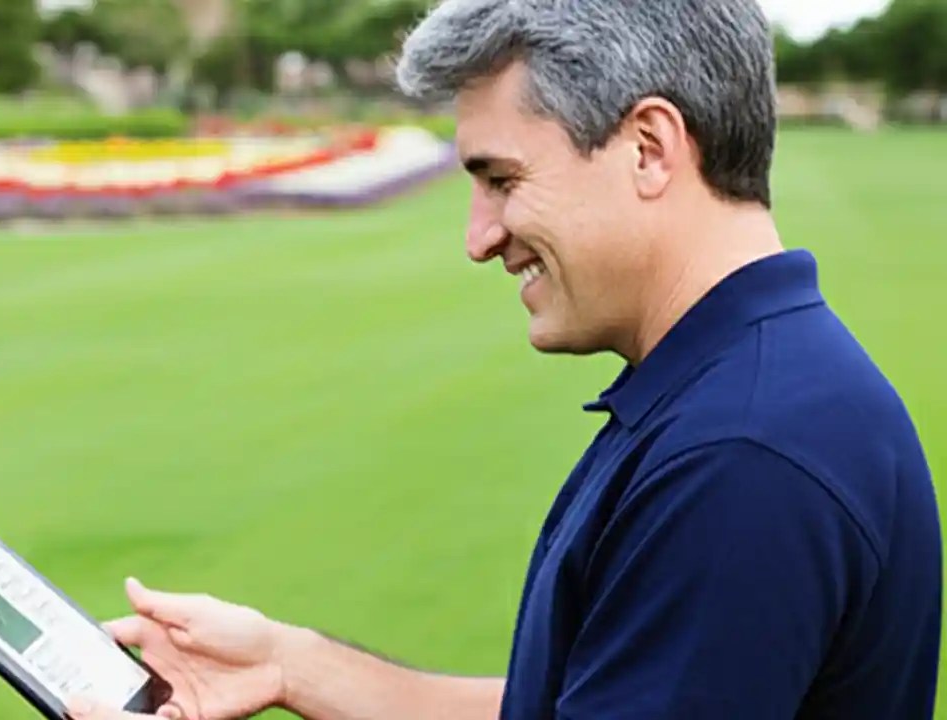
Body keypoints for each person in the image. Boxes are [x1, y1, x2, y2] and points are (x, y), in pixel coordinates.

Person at [69, 1, 942, 718]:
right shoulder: (751, 390)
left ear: (648, 147)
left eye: (502, 179)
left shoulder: (741, 456)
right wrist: (287, 665)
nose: (480, 238)